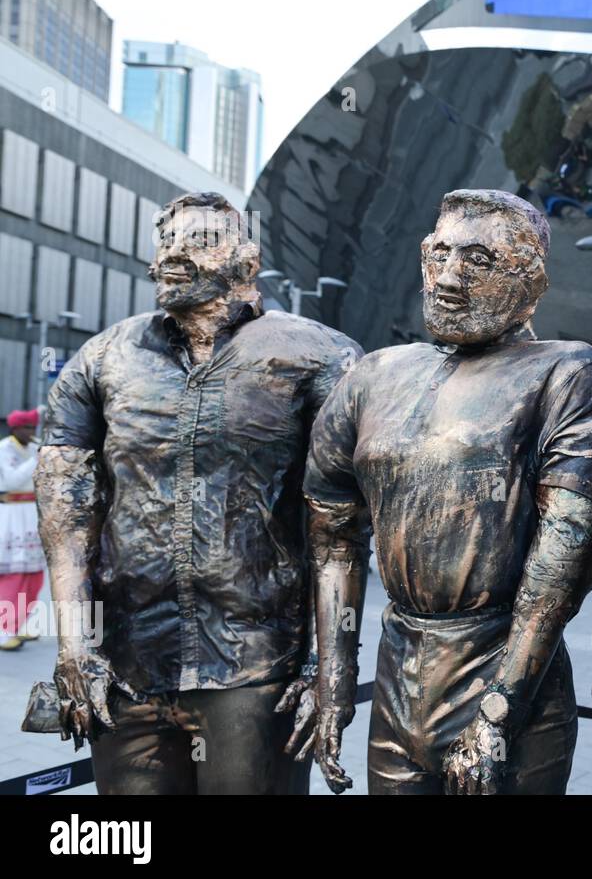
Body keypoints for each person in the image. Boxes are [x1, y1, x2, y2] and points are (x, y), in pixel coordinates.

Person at [35, 192, 361, 794]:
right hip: (127, 669)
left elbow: (338, 530)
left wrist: (332, 669)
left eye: (201, 241)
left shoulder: (321, 356)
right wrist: (75, 644)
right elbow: (66, 513)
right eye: (166, 243)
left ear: (247, 260)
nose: (175, 256)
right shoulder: (103, 359)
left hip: (254, 670)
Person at [306, 189, 592, 795]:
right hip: (400, 676)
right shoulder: (374, 376)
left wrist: (500, 708)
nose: (447, 277)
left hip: (507, 676)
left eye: (478, 260)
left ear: (531, 283)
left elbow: (565, 556)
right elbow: (332, 531)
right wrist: (335, 681)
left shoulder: (566, 371)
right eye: (438, 254)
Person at [0, 409, 43, 651]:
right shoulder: (4, 449)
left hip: (31, 514)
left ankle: (18, 623)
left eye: (33, 428)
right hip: (11, 515)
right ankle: (3, 629)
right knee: (13, 575)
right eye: (27, 428)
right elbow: (13, 481)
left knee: (33, 576)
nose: (31, 433)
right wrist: (37, 459)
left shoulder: (30, 448)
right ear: (14, 428)